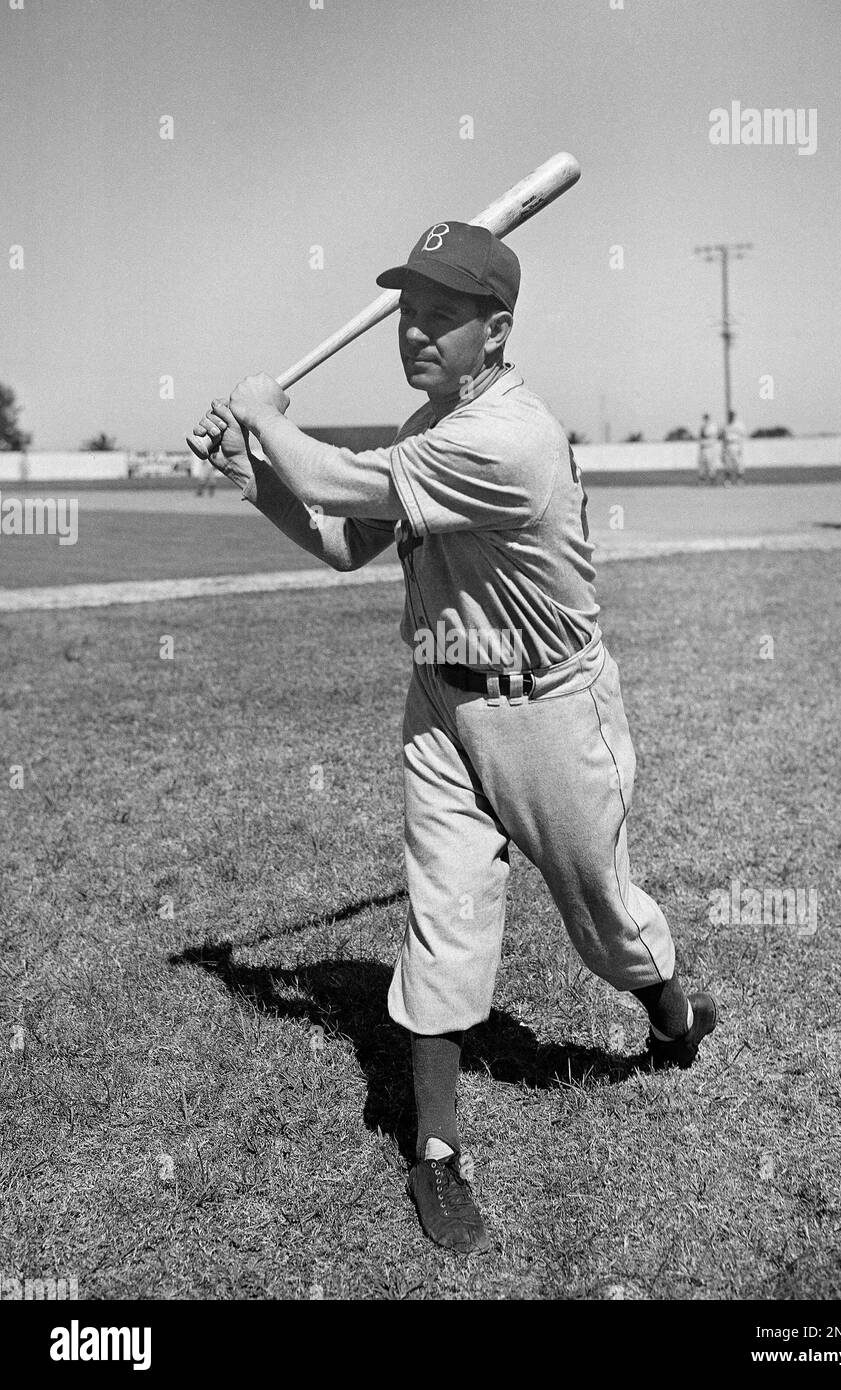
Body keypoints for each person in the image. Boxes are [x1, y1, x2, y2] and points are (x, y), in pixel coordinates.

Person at [190, 221, 718, 1256]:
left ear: (497, 331)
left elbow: (349, 484)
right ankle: (437, 1152)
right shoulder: (433, 427)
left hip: (550, 709)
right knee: (443, 921)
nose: (415, 331)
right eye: (407, 311)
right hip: (442, 700)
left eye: (443, 315)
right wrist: (254, 474)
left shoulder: (507, 436)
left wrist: (261, 415)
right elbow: (343, 540)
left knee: (603, 914)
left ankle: (670, 1009)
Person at [721, 411, 747, 485]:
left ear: (734, 416)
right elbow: (723, 438)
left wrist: (741, 447)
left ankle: (740, 480)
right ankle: (727, 481)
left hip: (736, 445)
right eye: (729, 415)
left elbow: (743, 436)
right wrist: (723, 450)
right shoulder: (726, 425)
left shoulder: (739, 425)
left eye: (732, 415)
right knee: (727, 465)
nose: (731, 417)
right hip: (727, 446)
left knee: (739, 464)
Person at [697, 412, 719, 484]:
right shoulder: (702, 426)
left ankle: (713, 481)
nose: (705, 419)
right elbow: (700, 437)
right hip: (703, 448)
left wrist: (704, 433)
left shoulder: (712, 427)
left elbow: (707, 435)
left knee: (711, 465)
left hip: (710, 447)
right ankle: (702, 481)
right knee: (702, 465)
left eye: (706, 418)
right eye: (705, 418)